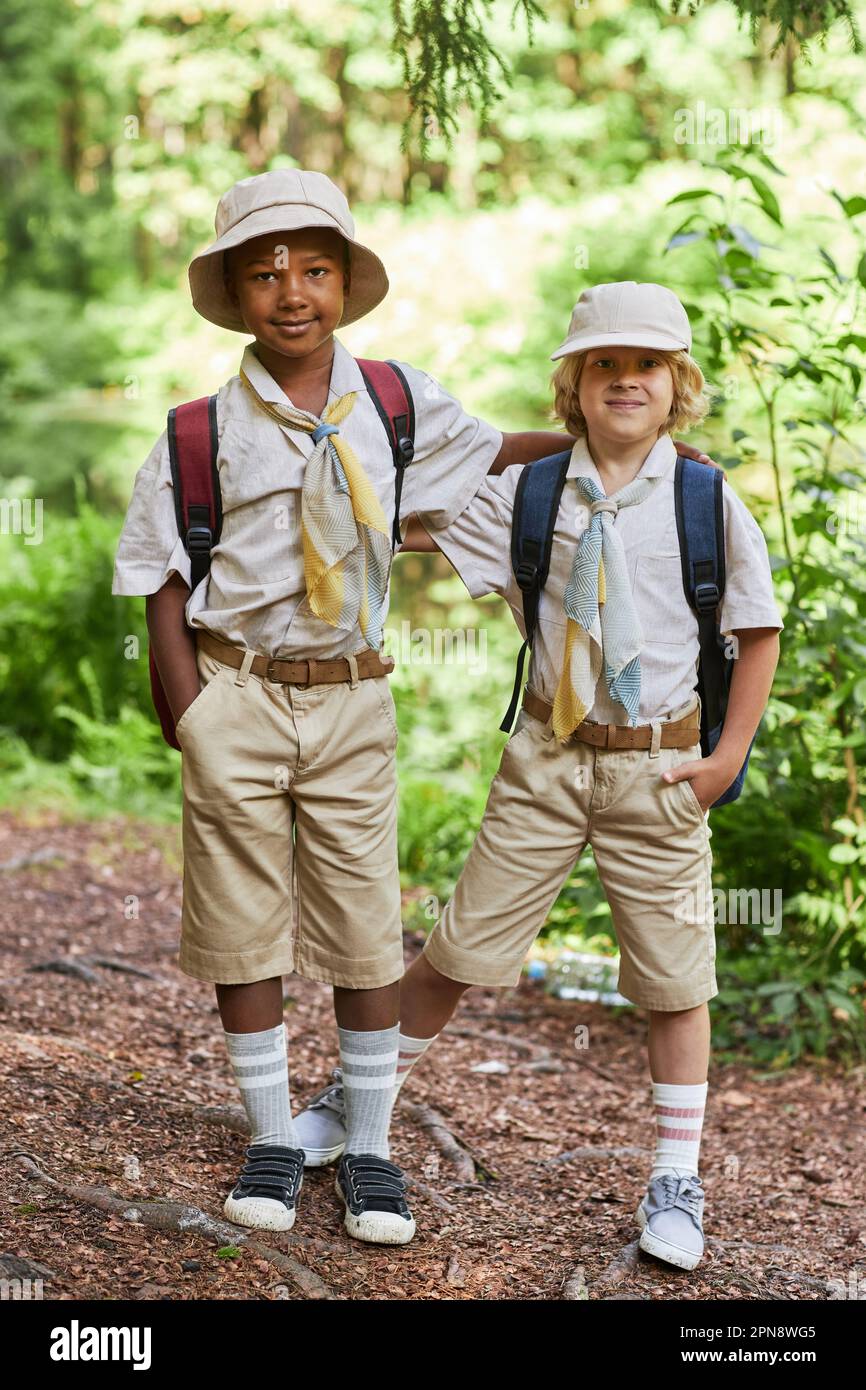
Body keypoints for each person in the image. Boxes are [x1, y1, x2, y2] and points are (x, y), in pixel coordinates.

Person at [115, 172, 718, 1245]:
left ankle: (370, 1145)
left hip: (352, 696)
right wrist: (186, 710)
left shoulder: (396, 401)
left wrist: (627, 461)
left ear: (345, 280)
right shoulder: (196, 431)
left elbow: (487, 452)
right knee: (240, 919)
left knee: (361, 925)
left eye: (311, 269)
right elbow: (159, 573)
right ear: (233, 293)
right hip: (237, 690)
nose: (289, 291)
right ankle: (266, 1132)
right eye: (263, 274)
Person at [295, 281, 783, 1271]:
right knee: (456, 950)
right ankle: (356, 1100)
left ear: (676, 382)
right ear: (573, 383)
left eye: (643, 365)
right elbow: (404, 521)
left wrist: (723, 759)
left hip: (659, 768)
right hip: (546, 762)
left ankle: (673, 1180)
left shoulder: (704, 498)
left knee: (674, 981)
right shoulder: (528, 494)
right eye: (600, 364)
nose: (623, 381)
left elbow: (754, 627)